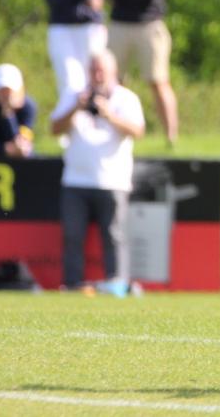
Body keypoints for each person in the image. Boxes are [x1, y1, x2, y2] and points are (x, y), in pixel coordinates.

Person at [50, 50, 145, 294]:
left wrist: (109, 115)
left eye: (102, 70)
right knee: (72, 236)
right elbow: (54, 128)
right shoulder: (74, 95)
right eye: (93, 70)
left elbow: (137, 131)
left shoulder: (125, 98)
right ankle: (72, 285)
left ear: (113, 72)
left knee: (114, 235)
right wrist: (76, 107)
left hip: (112, 180)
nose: (98, 75)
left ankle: (117, 285)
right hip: (76, 180)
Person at [105, 0, 178, 144]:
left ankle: (171, 136)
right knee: (113, 82)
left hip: (149, 27)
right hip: (119, 27)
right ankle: (115, 130)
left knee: (158, 81)